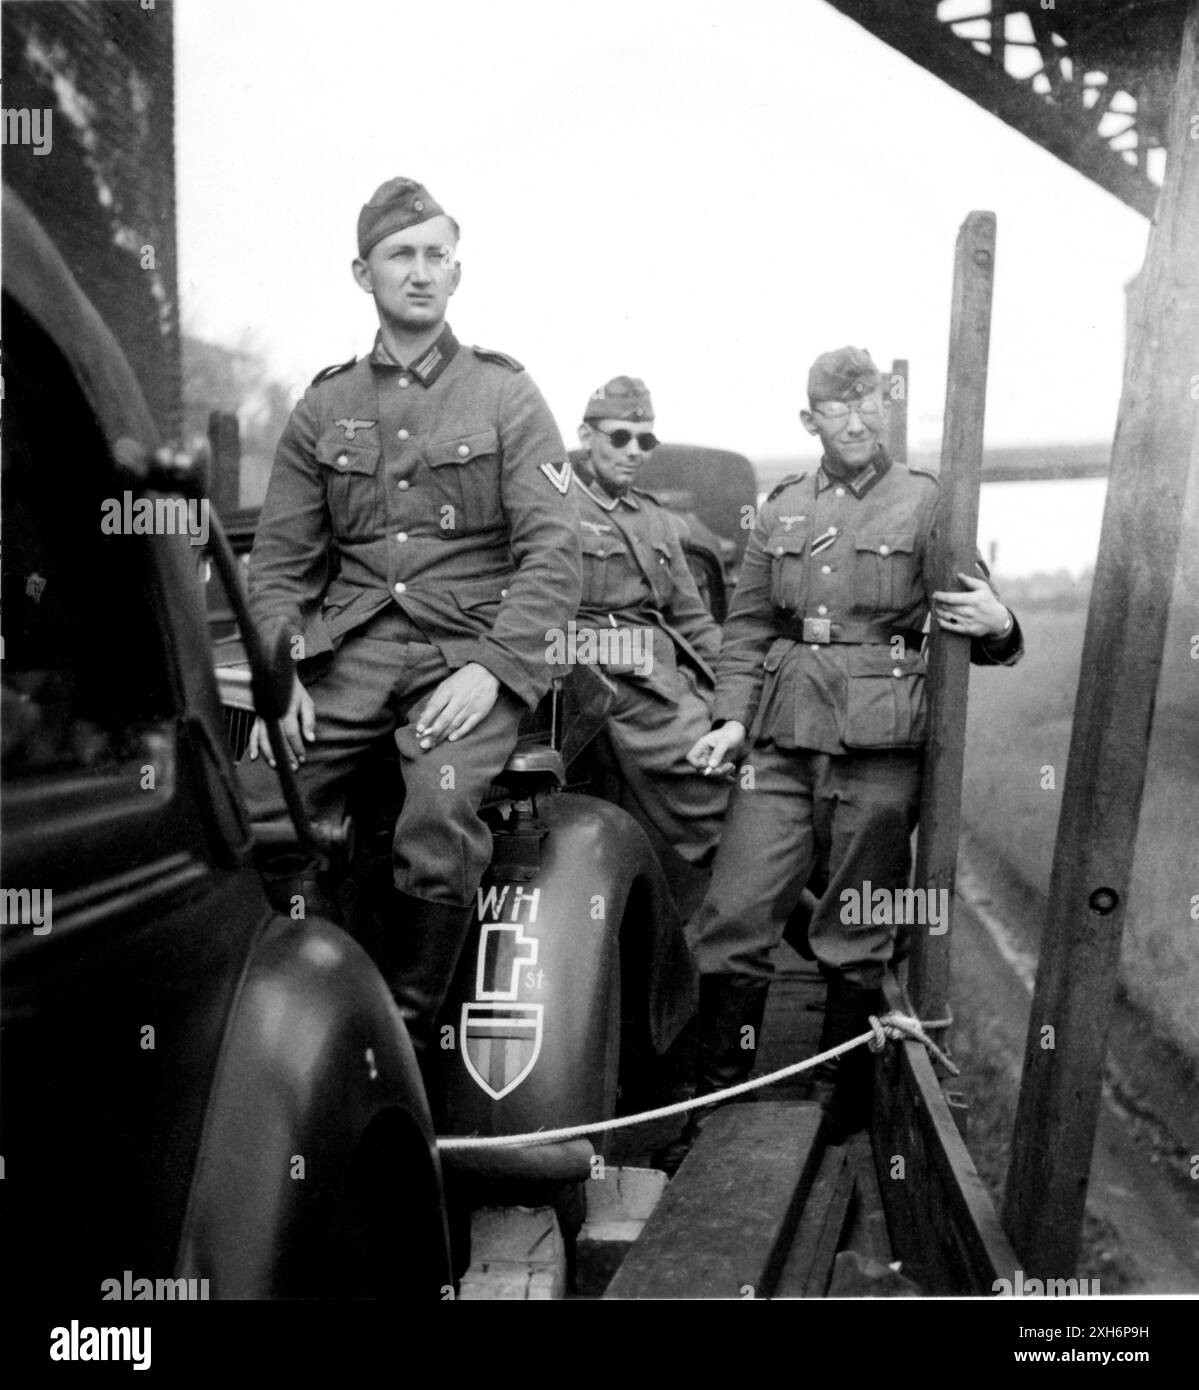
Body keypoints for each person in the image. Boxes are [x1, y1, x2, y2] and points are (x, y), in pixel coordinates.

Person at [242, 177, 581, 1064]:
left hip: (465, 654)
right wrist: (281, 674)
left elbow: (554, 553)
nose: (421, 272)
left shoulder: (504, 394)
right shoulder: (324, 405)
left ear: (456, 272)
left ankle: (402, 1044)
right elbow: (278, 563)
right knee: (262, 801)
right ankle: (314, 1001)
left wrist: (493, 670)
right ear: (364, 274)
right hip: (352, 651)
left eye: (437, 255)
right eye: (400, 255)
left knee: (436, 814)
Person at [682, 346, 1023, 1144]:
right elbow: (748, 628)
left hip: (879, 743)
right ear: (811, 419)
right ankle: (713, 1105)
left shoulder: (928, 503)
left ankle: (837, 1107)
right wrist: (730, 720)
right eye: (839, 408)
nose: (857, 420)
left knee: (855, 926)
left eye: (869, 403)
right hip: (780, 738)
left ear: (884, 407)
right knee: (734, 917)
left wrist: (1001, 623)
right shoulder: (781, 507)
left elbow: (976, 617)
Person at [572, 376, 729, 887]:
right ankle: (743, 898)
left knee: (758, 745)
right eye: (619, 437)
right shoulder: (554, 506)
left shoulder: (654, 517)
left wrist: (739, 681)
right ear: (586, 435)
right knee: (713, 776)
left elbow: (691, 617)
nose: (634, 451)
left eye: (645, 440)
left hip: (669, 673)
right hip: (616, 676)